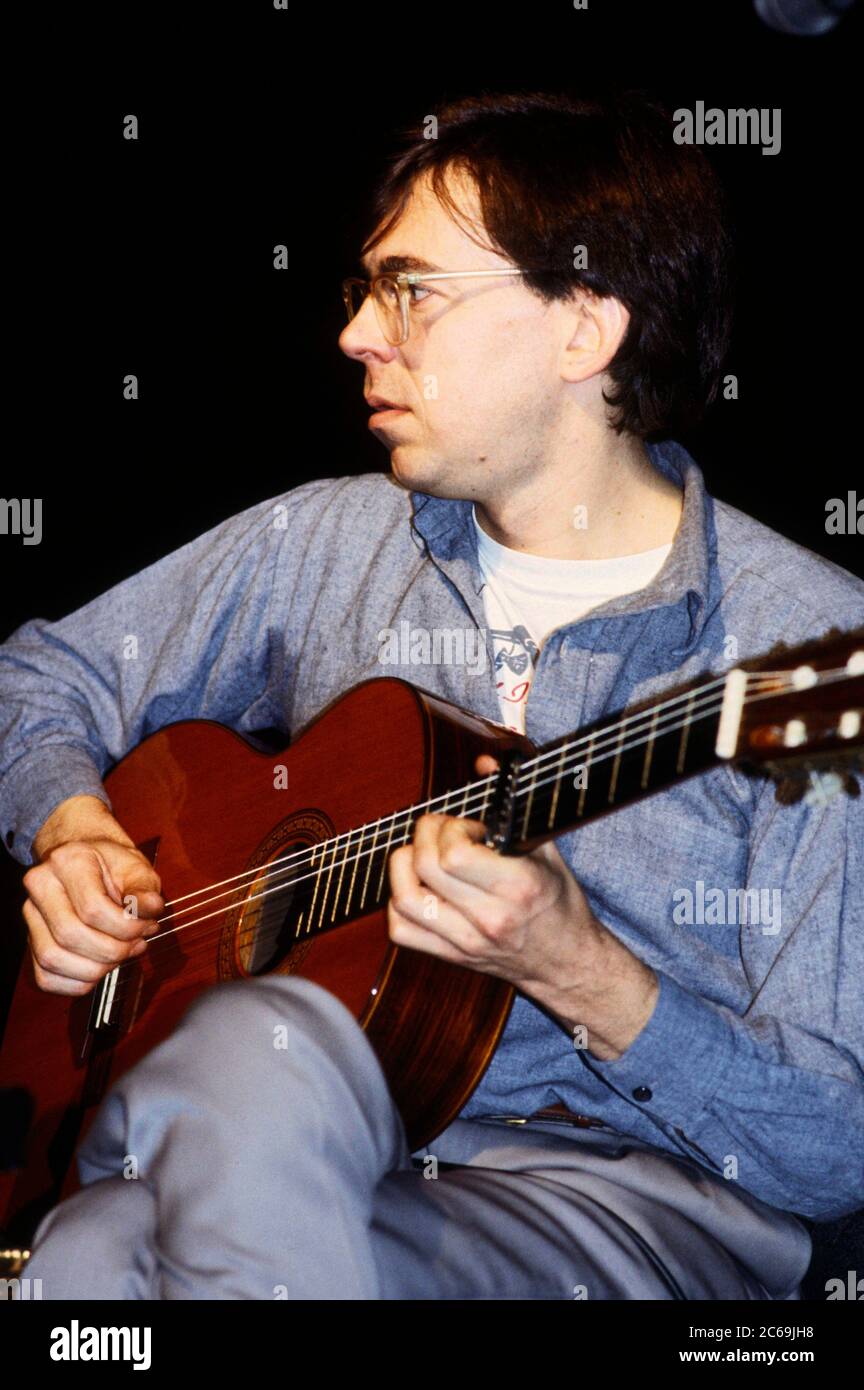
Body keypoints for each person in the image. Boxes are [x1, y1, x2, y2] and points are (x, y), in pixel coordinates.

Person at [2, 90, 862, 1300]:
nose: (357, 332)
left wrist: (581, 971)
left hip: (623, 1206)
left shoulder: (806, 647)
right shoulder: (328, 539)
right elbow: (38, 674)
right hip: (300, 1154)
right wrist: (71, 826)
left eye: (413, 290)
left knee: (219, 1094)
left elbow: (839, 1145)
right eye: (364, 290)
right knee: (91, 1249)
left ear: (584, 331)